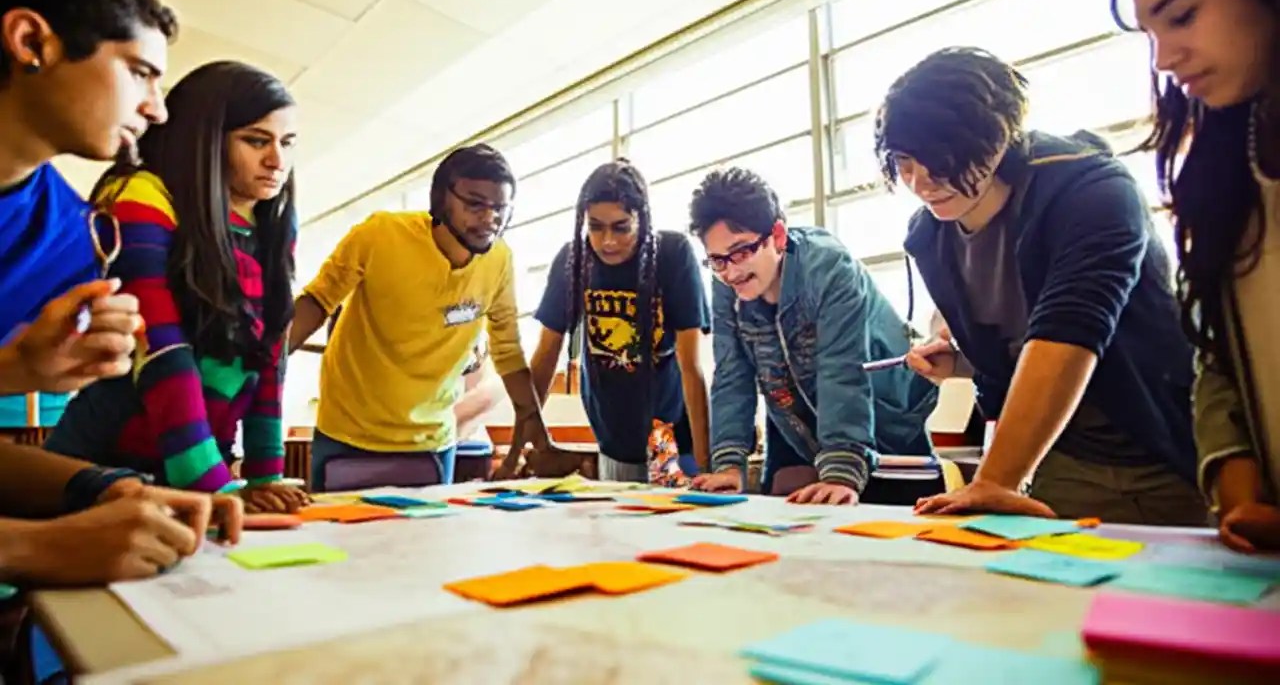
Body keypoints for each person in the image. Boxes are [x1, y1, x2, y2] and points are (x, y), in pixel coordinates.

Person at [883, 46, 1206, 525]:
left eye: (941, 158)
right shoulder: (929, 236)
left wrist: (995, 480)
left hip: (1168, 446)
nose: (922, 182)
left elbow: (1069, 332)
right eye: (905, 161)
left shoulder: (1094, 191)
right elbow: (1017, 344)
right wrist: (965, 363)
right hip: (1063, 457)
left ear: (998, 136)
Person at [0, 0, 241, 588]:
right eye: (139, 72)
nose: (156, 111)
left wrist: (113, 488)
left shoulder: (71, 241)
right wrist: (31, 549)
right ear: (31, 42)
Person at [43, 60, 309, 514]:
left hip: (200, 471)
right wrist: (215, 488)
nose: (276, 161)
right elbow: (162, 349)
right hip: (105, 466)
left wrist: (266, 475)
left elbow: (269, 360)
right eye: (255, 140)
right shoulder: (142, 194)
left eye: (286, 143)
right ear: (205, 139)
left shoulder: (274, 227)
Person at [288, 144, 575, 491]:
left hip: (433, 444)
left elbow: (508, 351)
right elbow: (317, 301)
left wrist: (530, 417)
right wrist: (260, 363)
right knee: (339, 544)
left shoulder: (499, 260)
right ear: (441, 199)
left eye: (500, 207)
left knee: (426, 545)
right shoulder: (379, 234)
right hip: (348, 434)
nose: (489, 219)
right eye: (475, 204)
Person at [1115, 0, 1280, 548]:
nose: (1164, 58)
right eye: (1150, 36)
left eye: (1182, 16)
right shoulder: (1225, 172)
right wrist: (1238, 490)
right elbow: (1219, 362)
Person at [688, 168, 938, 505]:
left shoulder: (828, 267)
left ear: (777, 235)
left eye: (741, 252)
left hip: (882, 423)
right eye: (717, 260)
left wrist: (840, 473)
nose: (730, 271)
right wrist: (729, 465)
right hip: (795, 425)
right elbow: (732, 374)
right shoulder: (725, 282)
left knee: (894, 532)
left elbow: (843, 369)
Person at [527, 160, 711, 484]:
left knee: (664, 523)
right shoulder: (574, 261)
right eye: (595, 227)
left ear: (642, 219)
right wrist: (525, 436)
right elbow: (545, 355)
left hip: (664, 433)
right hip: (610, 435)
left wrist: (707, 464)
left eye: (620, 227)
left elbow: (692, 368)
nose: (607, 241)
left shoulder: (672, 254)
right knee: (619, 526)